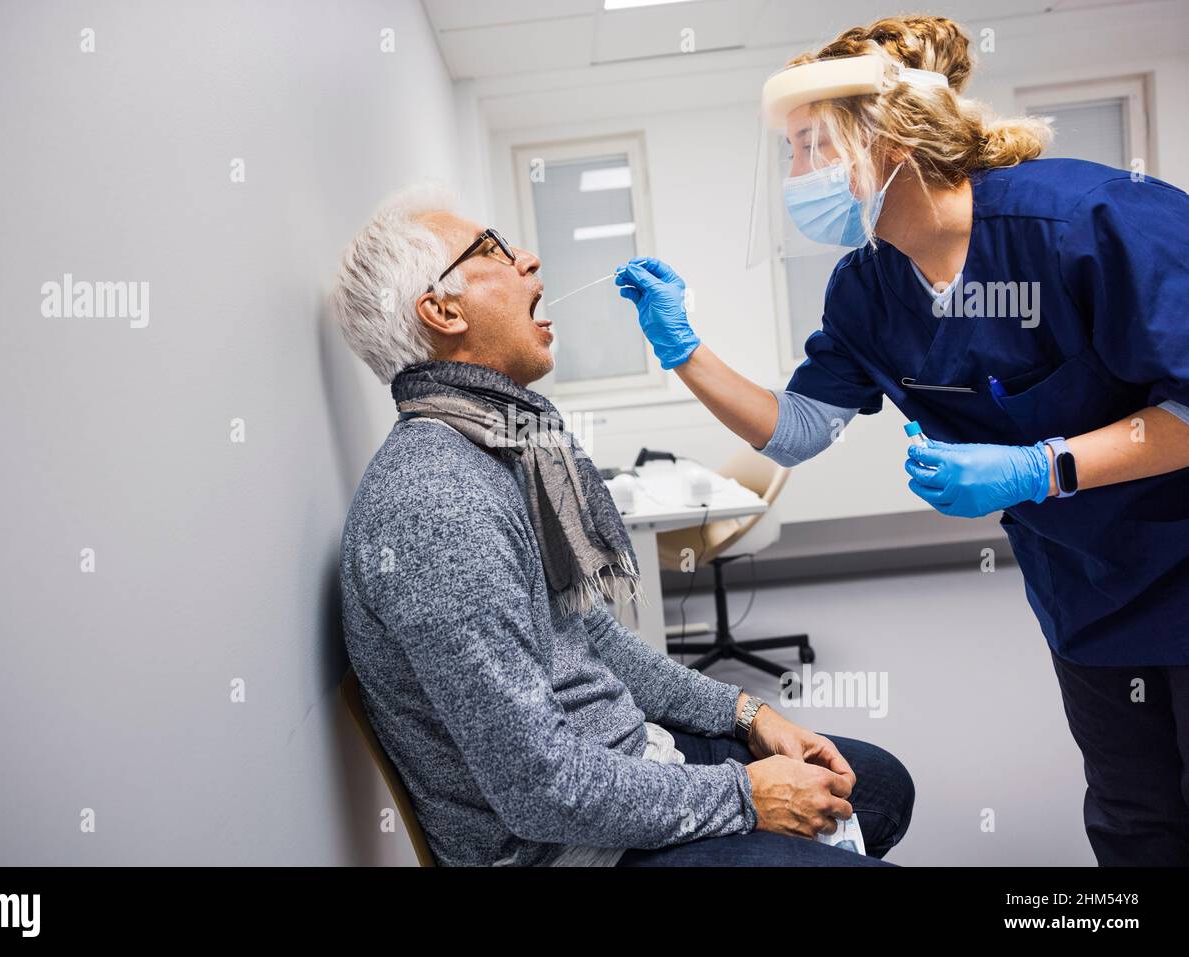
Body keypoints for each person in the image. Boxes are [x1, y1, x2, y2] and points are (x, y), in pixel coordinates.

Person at [614, 15, 1189, 866]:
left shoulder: (1086, 221)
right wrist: (683, 350)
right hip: (1085, 591)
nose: (797, 177)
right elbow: (799, 429)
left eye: (811, 147)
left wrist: (1044, 464)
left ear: (886, 140)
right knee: (1135, 815)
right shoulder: (866, 291)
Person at [329, 184, 914, 866]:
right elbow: (538, 788)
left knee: (878, 789)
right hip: (570, 847)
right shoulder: (436, 502)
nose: (529, 260)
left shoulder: (505, 448)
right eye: (493, 249)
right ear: (441, 309)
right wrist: (747, 795)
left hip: (627, 758)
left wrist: (749, 714)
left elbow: (596, 641)